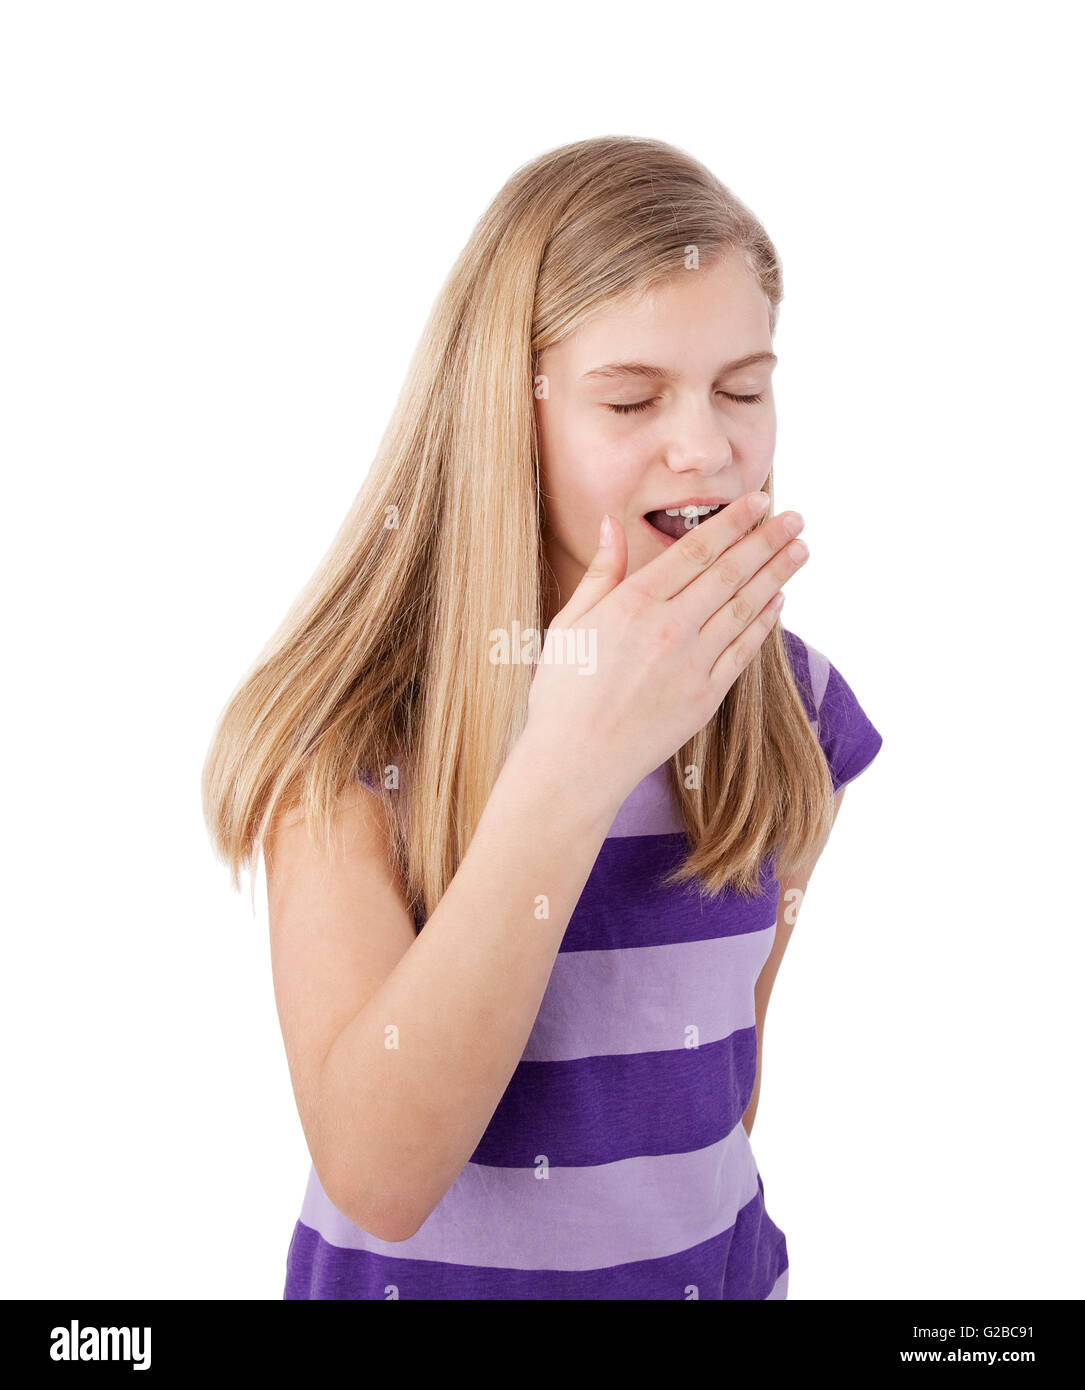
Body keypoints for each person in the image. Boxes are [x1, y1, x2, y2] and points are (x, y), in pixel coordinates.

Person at [201, 134, 883, 1300]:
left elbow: (712, 1095)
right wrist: (575, 758)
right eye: (630, 397)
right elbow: (378, 1173)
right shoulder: (349, 726)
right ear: (502, 414)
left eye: (743, 388)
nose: (706, 446)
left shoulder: (794, 705)